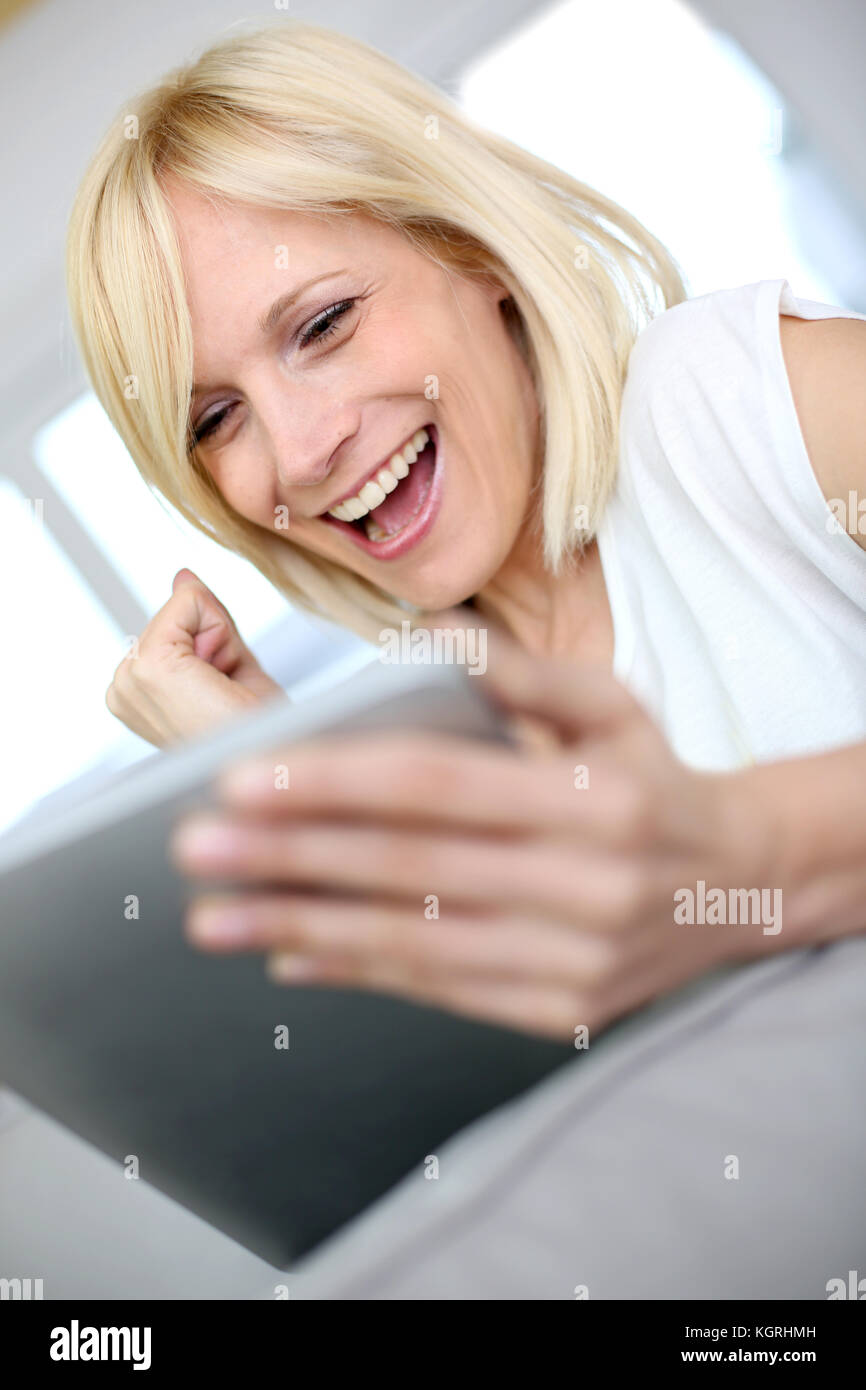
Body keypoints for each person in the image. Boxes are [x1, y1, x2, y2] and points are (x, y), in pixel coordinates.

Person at [66, 21, 866, 1045]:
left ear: (469, 247)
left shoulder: (739, 399)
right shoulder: (421, 726)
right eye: (215, 419)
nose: (302, 450)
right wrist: (283, 774)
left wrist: (746, 851)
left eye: (321, 325)